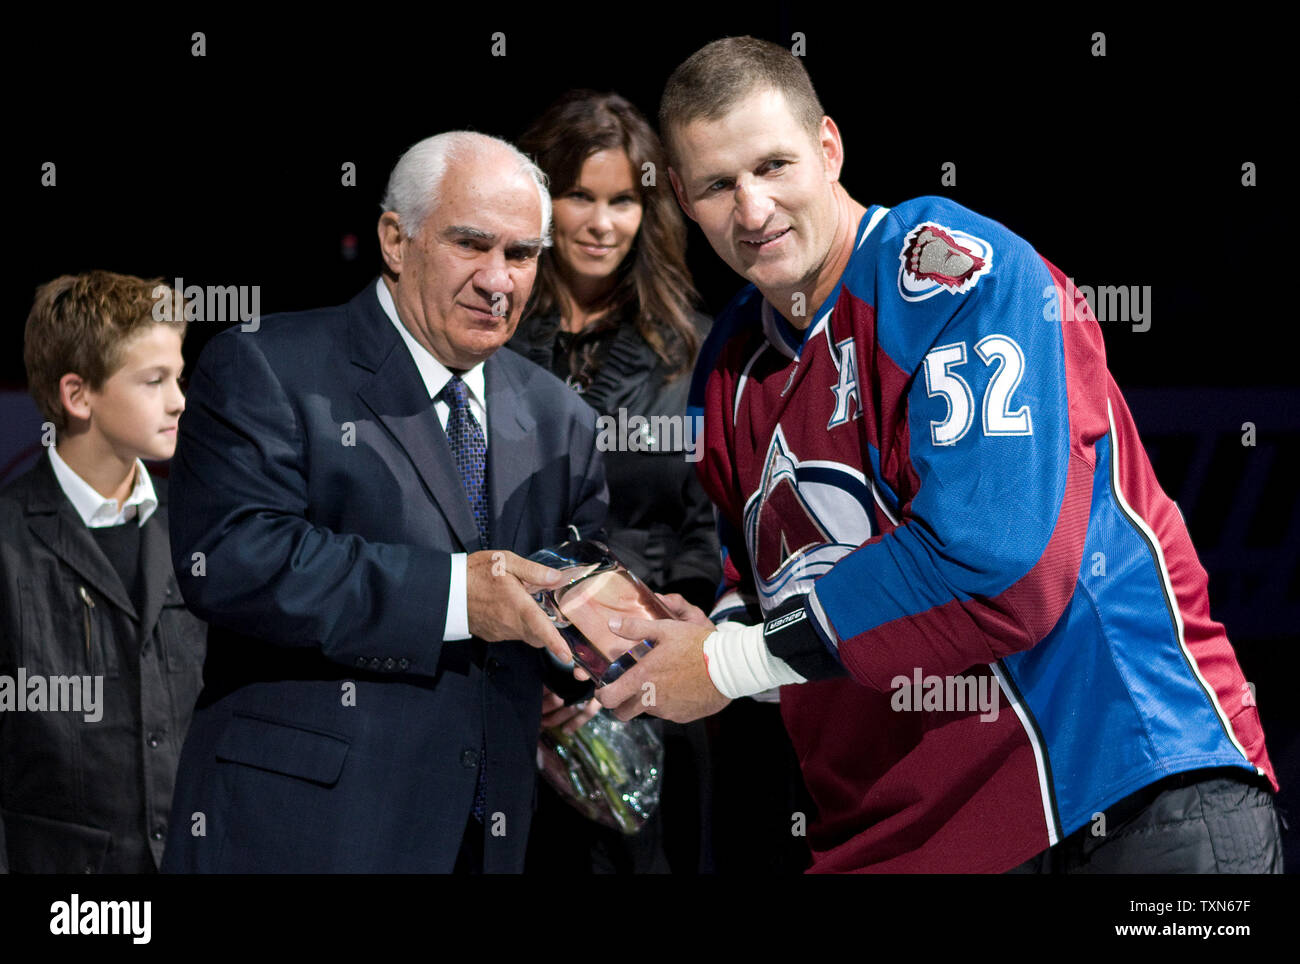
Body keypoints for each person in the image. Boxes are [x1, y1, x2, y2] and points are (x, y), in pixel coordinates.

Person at [596, 36, 1283, 873]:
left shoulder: (951, 275)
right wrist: (703, 636)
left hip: (1118, 796)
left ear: (829, 148)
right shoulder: (730, 364)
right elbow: (789, 597)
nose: (752, 210)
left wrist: (728, 662)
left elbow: (999, 567)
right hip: (907, 838)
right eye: (717, 185)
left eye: (774, 166)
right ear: (680, 196)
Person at [160, 132, 605, 874]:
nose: (500, 280)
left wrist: (596, 653)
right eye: (472, 244)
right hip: (301, 836)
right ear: (396, 240)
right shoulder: (266, 363)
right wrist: (458, 596)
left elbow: (567, 588)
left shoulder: (563, 420)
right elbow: (233, 559)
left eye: (522, 255)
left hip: (487, 840)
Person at [508, 90, 722, 874]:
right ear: (540, 200)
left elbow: (704, 532)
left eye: (624, 201)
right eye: (580, 197)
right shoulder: (486, 344)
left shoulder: (694, 350)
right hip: (509, 689)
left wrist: (633, 653)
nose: (602, 223)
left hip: (646, 683)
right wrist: (536, 667)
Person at [0, 270, 206, 873]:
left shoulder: (199, 529)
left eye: (179, 376)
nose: (179, 400)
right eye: (153, 380)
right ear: (77, 394)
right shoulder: (8, 541)